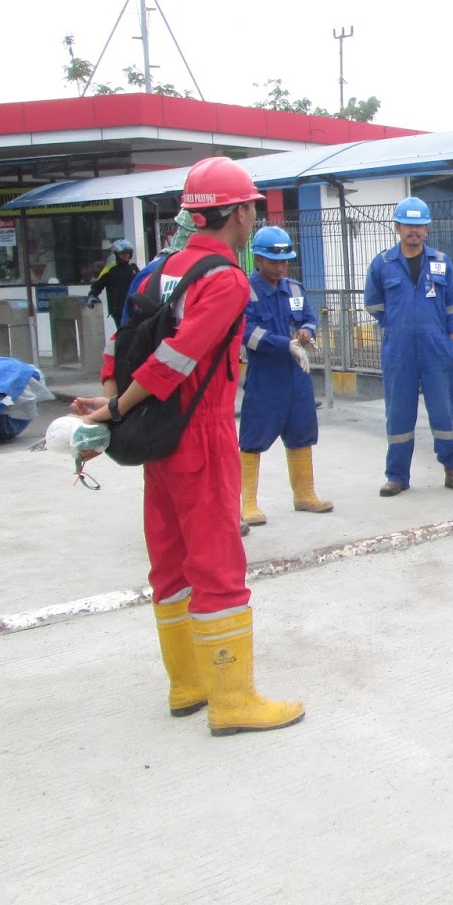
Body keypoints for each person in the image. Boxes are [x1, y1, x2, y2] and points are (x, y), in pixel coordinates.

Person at [74, 156, 303, 735]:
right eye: (251, 207)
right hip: (197, 430)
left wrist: (115, 406)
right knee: (218, 563)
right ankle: (233, 702)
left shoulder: (157, 271)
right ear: (239, 213)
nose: (253, 217)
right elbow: (174, 360)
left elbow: (117, 346)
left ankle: (187, 684)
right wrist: (115, 411)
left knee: (170, 559)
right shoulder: (225, 279)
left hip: (157, 435)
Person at [363, 196, 453, 496]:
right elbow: (373, 304)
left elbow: (452, 303)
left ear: (427, 229)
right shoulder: (382, 264)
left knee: (442, 411)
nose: (414, 231)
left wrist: (451, 338)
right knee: (398, 411)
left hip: (436, 348)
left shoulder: (441, 261)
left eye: (420, 226)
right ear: (397, 227)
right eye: (408, 225)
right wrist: (398, 324)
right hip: (398, 350)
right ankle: (397, 476)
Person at [238, 225, 332, 525]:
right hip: (265, 377)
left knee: (301, 431)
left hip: (297, 375)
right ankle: (248, 504)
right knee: (254, 436)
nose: (279, 267)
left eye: (284, 262)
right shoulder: (245, 292)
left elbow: (309, 317)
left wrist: (307, 331)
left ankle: (305, 494)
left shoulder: (293, 288)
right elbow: (246, 332)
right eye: (272, 262)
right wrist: (284, 344)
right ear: (257, 259)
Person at [86, 239, 138, 326]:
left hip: (134, 306)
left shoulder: (133, 268)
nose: (126, 255)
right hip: (118, 308)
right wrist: (92, 296)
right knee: (124, 332)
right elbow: (97, 285)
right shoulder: (109, 270)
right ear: (116, 254)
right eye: (123, 253)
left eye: (128, 253)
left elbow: (142, 282)